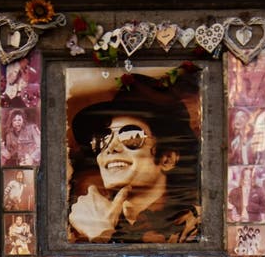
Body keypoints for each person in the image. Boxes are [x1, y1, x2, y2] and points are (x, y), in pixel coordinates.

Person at [69, 72, 200, 244]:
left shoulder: (195, 225)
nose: (110, 148)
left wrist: (102, 237)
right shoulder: (82, 219)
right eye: (102, 139)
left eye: (131, 136)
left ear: (167, 159)